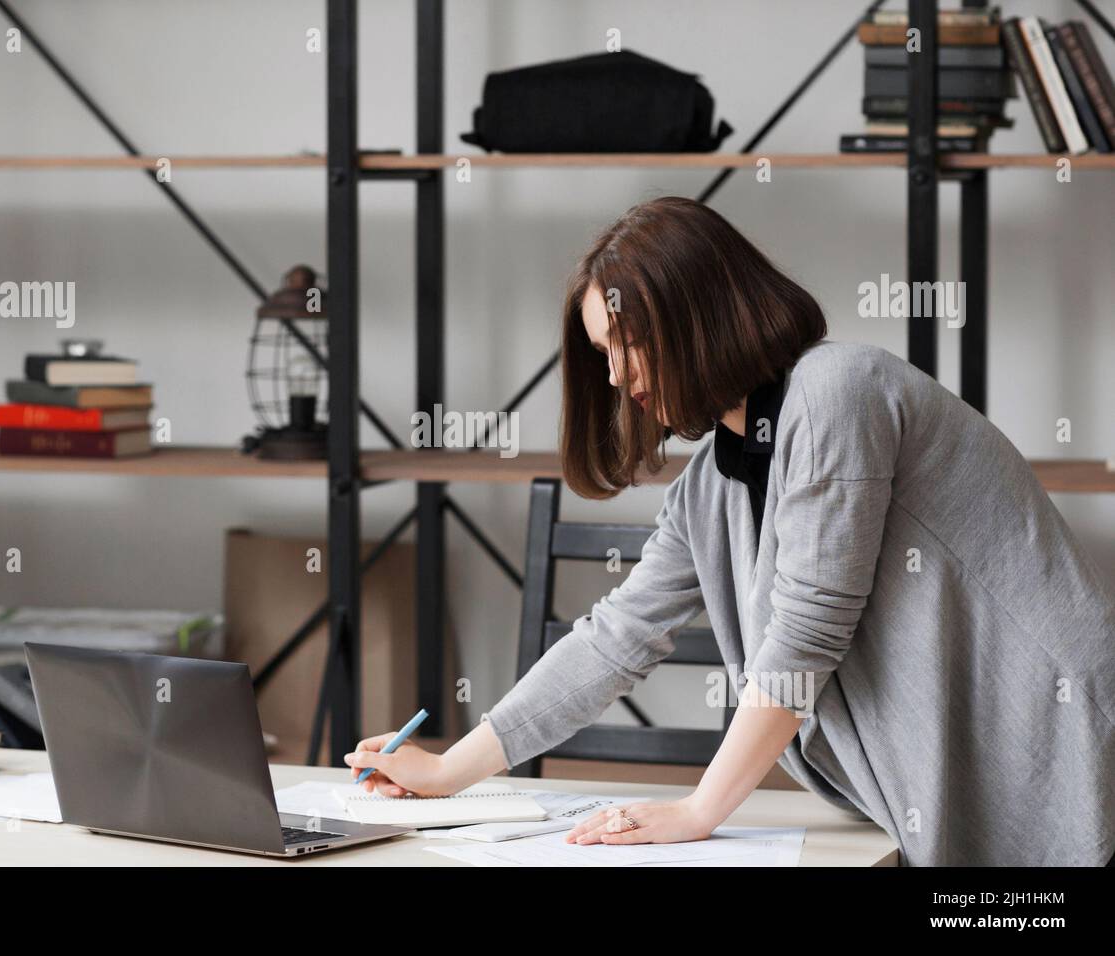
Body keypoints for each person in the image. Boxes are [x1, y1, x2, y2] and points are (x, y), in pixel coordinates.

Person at [344, 196, 1115, 866]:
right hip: (953, 775)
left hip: (1058, 741)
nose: (613, 376)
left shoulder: (839, 392)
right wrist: (449, 772)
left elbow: (808, 632)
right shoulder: (712, 482)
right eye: (601, 354)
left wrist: (698, 810)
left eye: (624, 342)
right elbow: (615, 637)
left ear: (694, 315)